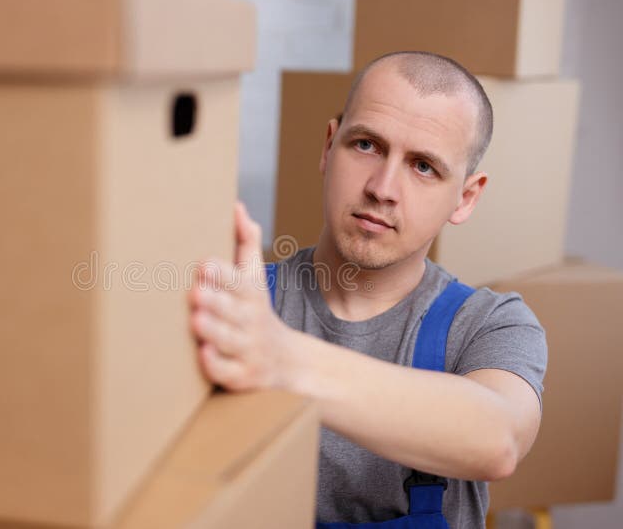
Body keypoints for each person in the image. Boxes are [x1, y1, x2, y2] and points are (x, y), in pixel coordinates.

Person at [188, 51, 547, 528]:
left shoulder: (488, 324)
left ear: (465, 197)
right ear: (328, 147)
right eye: (367, 146)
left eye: (423, 167)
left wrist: (281, 357)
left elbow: (498, 439)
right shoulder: (237, 306)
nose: (383, 187)